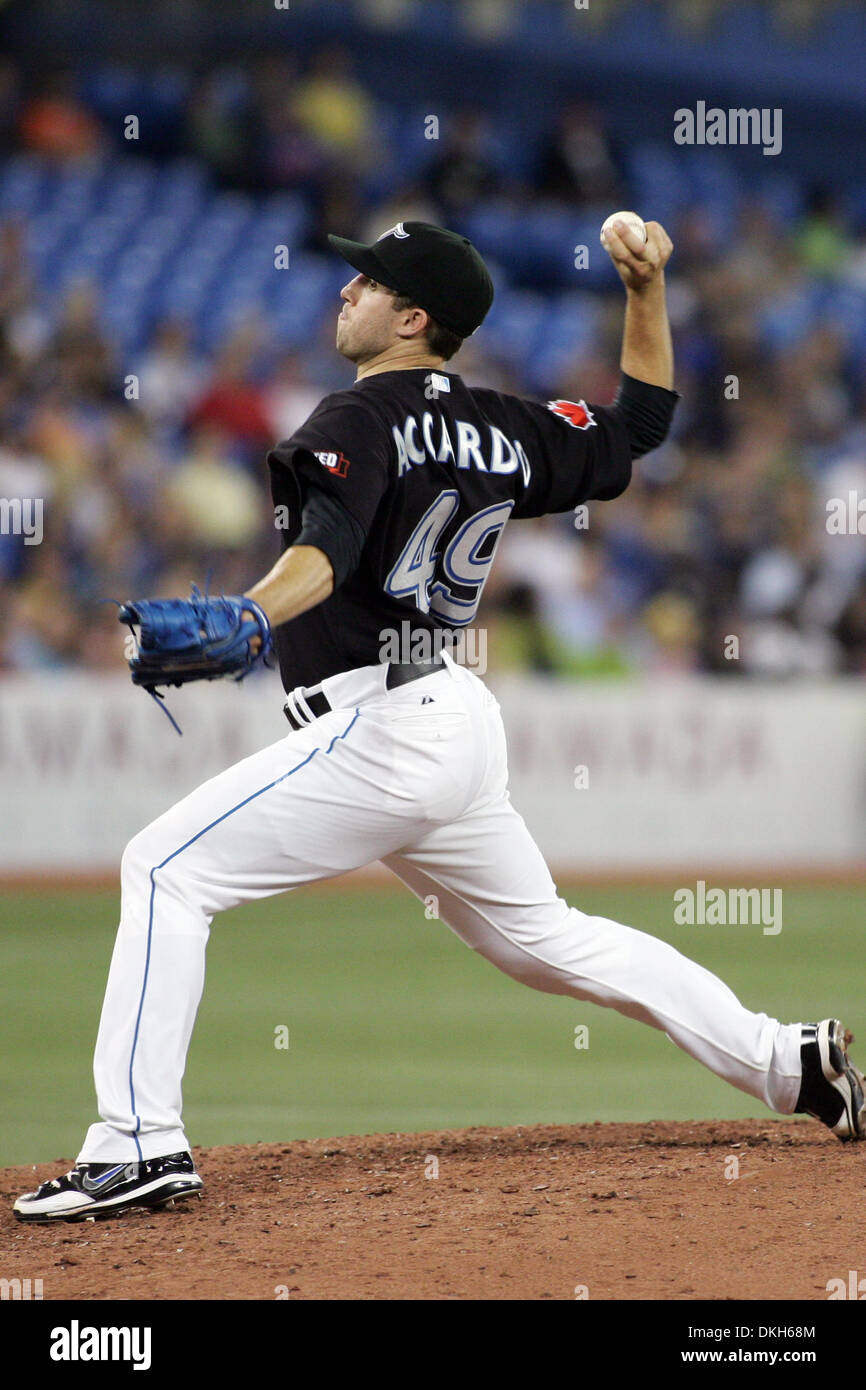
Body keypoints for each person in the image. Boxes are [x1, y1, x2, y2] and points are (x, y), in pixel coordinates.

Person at [15, 217, 863, 1222]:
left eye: (366, 282)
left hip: (383, 723)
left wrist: (249, 614)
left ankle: (138, 1142)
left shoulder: (352, 419)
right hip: (452, 715)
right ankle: (785, 1062)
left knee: (164, 868)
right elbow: (637, 426)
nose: (344, 292)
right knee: (548, 940)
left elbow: (324, 554)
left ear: (410, 317)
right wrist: (643, 290)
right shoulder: (501, 423)